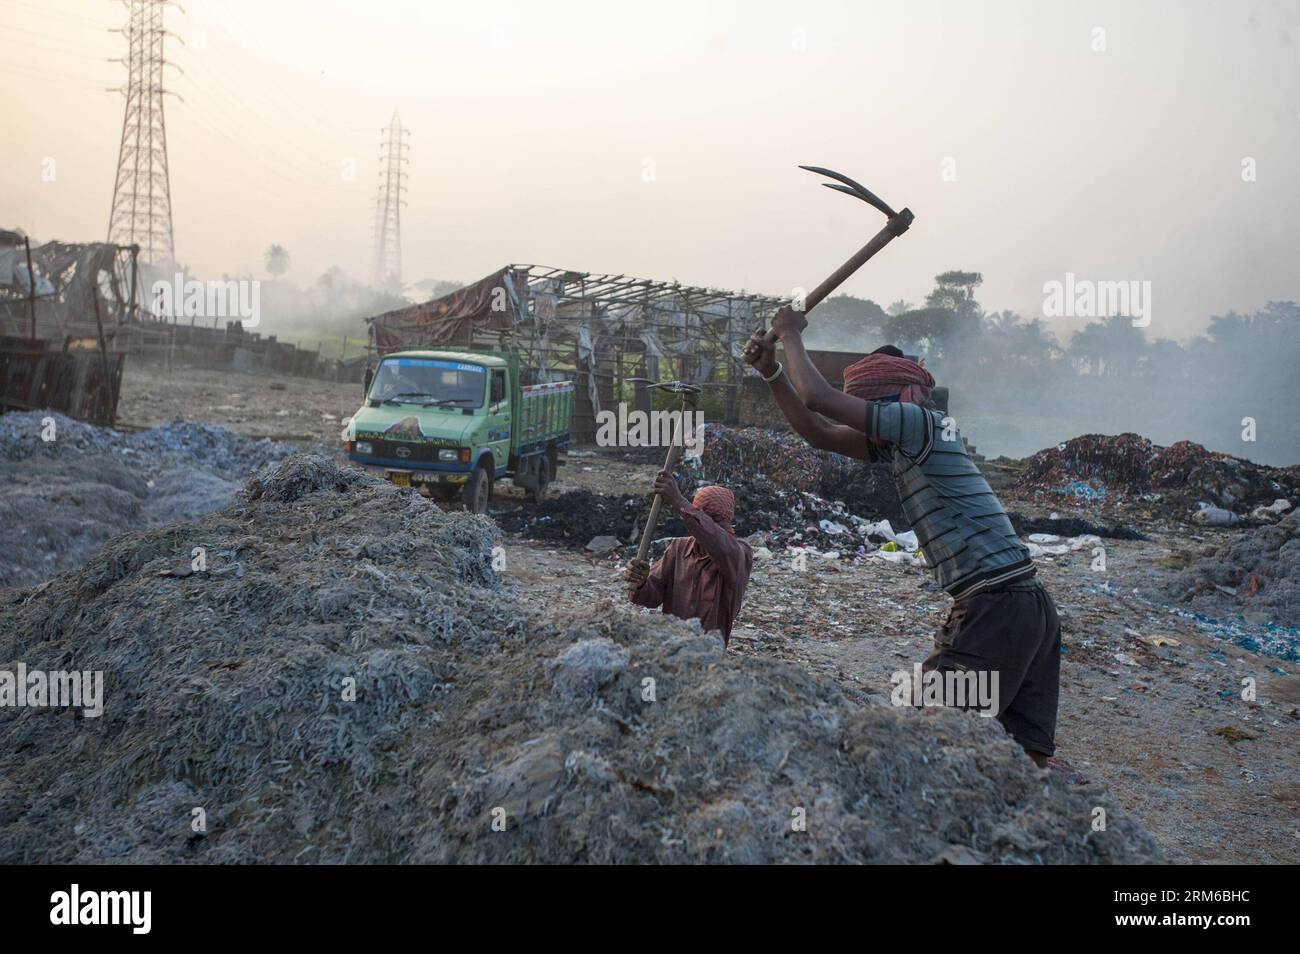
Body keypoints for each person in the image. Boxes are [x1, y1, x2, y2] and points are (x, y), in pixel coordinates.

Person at [742, 308, 1060, 767]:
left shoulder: (918, 422)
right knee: (1024, 754)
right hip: (1029, 605)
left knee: (921, 735)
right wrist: (771, 370)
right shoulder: (905, 441)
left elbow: (817, 397)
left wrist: (789, 333)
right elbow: (819, 433)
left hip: (996, 603)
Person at [625, 474, 753, 646]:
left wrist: (678, 501)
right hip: (671, 648)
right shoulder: (679, 549)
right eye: (704, 518)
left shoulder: (739, 554)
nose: (706, 527)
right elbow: (651, 597)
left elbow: (717, 541)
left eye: (716, 521)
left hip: (708, 656)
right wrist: (641, 583)